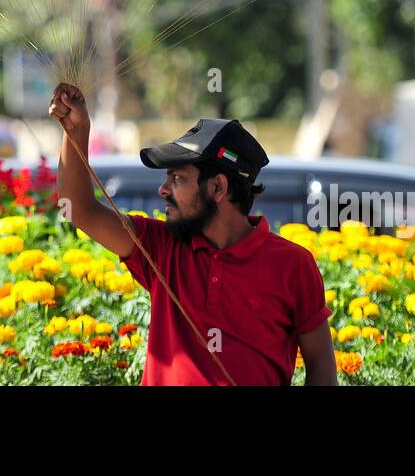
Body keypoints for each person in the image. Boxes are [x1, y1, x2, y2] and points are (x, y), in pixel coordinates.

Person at [48, 82, 338, 386]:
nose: (163, 189)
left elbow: (321, 366)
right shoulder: (160, 247)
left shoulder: (293, 265)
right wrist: (76, 132)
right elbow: (78, 210)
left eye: (177, 178)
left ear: (217, 188)